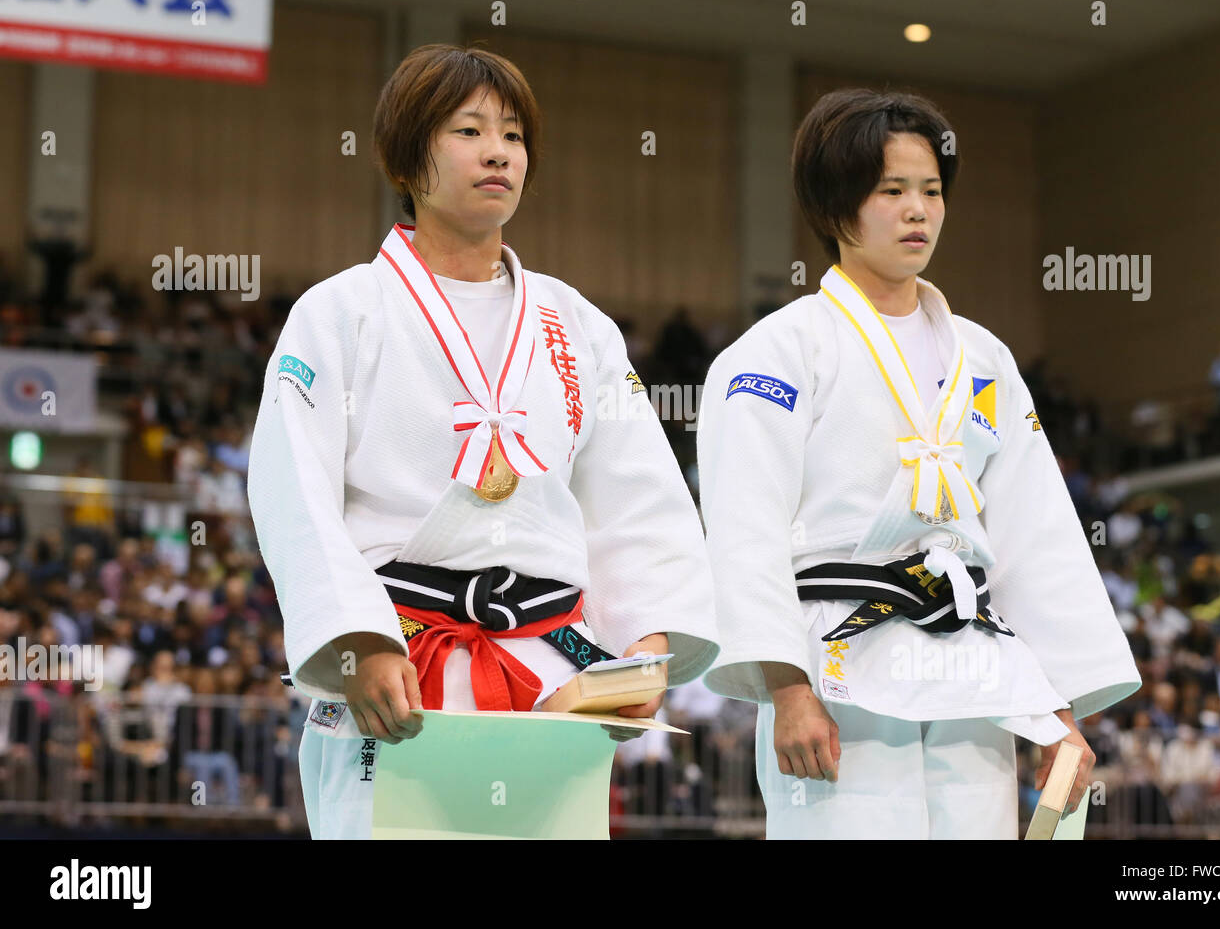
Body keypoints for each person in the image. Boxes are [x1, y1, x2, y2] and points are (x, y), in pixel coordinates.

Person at [246, 45, 719, 840]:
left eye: (513, 135)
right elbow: (291, 485)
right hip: (399, 671)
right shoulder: (343, 312)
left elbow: (638, 500)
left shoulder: (576, 325)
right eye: (468, 130)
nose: (498, 150)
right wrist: (357, 641)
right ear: (407, 155)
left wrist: (649, 642)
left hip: (550, 682)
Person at [697, 88, 1140, 839]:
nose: (919, 211)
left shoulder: (985, 358)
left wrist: (1056, 708)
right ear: (837, 204)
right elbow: (746, 525)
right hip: (837, 662)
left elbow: (1036, 535)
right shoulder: (779, 350)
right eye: (891, 190)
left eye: (931, 191)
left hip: (973, 666)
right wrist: (788, 688)